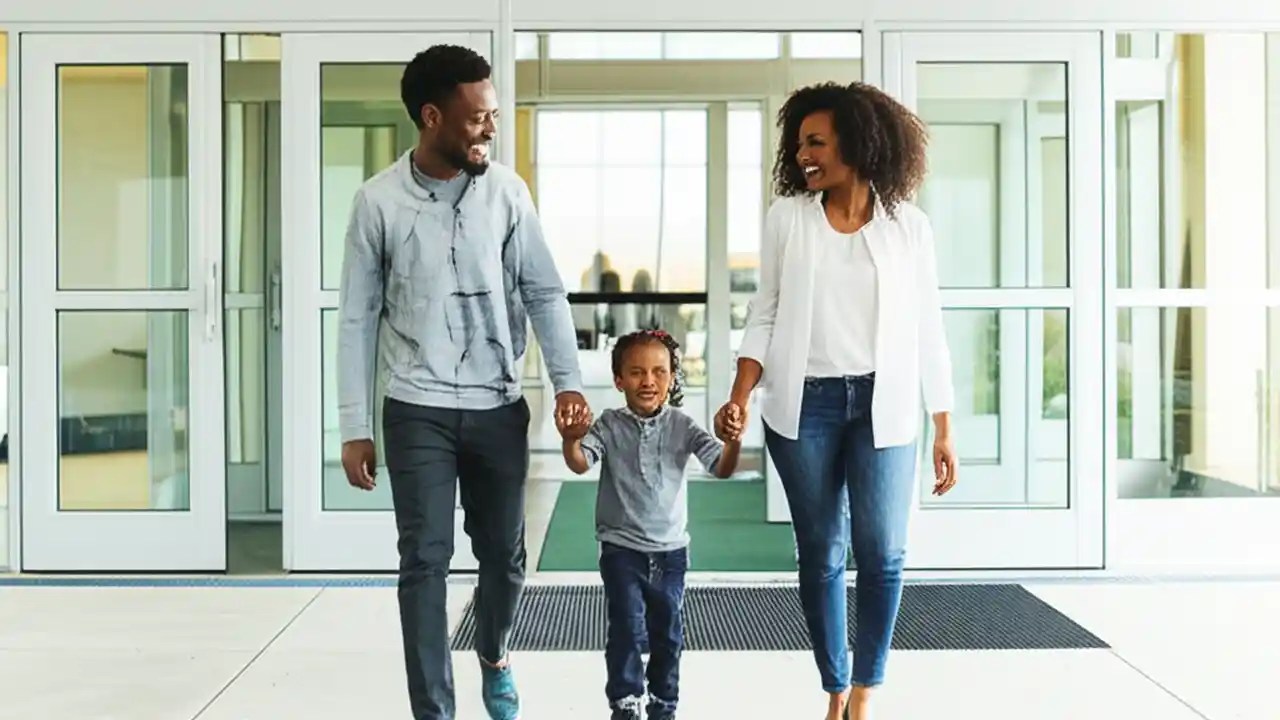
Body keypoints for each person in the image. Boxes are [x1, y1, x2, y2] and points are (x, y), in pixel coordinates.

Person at [336, 45, 589, 720]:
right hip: (415, 406)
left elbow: (543, 290)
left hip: (497, 404)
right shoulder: (377, 203)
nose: (490, 129)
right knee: (424, 559)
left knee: (504, 557)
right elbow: (358, 318)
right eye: (478, 118)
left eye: (495, 116)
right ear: (431, 116)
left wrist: (569, 384)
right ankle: (434, 711)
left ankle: (495, 653)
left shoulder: (507, 193)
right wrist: (354, 425)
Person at [715, 82, 959, 720]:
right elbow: (763, 313)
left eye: (815, 142)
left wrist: (943, 425)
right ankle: (833, 685)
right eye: (798, 145)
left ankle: (864, 691)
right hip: (806, 407)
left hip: (887, 403)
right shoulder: (788, 219)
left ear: (857, 142)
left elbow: (929, 328)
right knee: (822, 550)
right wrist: (740, 396)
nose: (803, 156)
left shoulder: (910, 227)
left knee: (883, 550)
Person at [558, 330, 741, 720]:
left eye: (659, 371)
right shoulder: (608, 425)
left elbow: (722, 466)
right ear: (619, 379)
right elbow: (579, 462)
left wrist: (735, 441)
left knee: (668, 633)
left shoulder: (683, 425)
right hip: (620, 547)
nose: (648, 381)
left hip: (671, 552)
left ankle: (663, 701)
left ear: (672, 378)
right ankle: (625, 701)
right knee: (625, 625)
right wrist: (569, 439)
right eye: (637, 372)